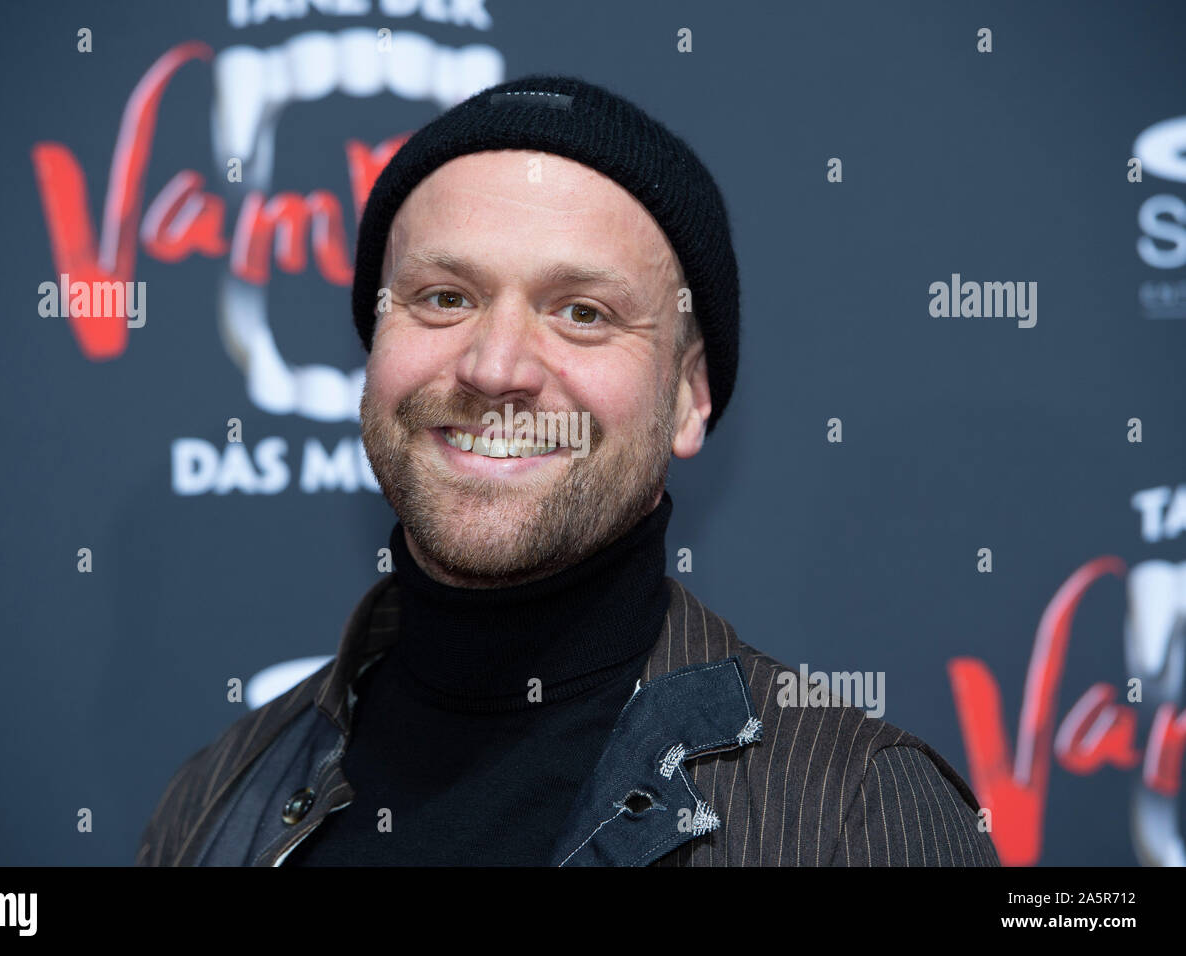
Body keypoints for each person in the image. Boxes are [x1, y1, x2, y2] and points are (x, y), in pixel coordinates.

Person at [136, 73, 1000, 867]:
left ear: (690, 397)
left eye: (583, 312)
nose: (496, 366)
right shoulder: (218, 799)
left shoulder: (855, 814)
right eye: (445, 297)